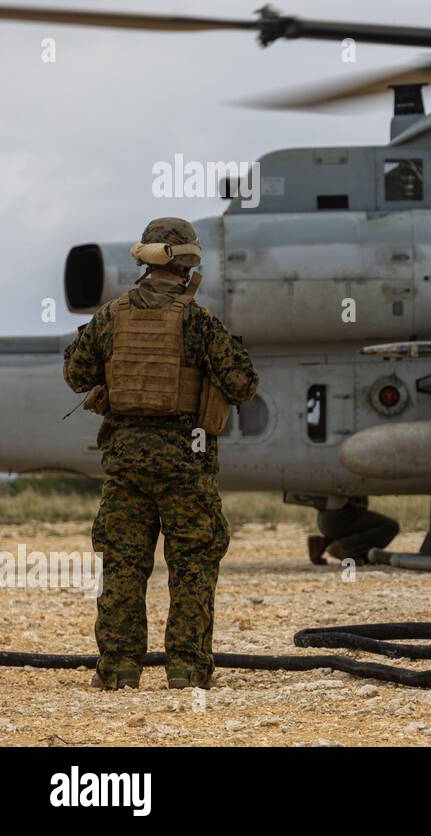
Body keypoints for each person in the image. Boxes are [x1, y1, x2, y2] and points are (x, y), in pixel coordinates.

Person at [63, 217, 259, 691]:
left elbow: (75, 373)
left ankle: (118, 668)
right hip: (185, 462)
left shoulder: (110, 317)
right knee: (192, 562)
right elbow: (243, 385)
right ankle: (187, 670)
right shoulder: (199, 322)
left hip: (126, 461)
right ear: (189, 266)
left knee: (124, 564)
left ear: (143, 261)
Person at [308, 498, 399, 565]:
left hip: (325, 518)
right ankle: (346, 548)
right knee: (390, 526)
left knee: (365, 530)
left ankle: (321, 544)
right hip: (342, 516)